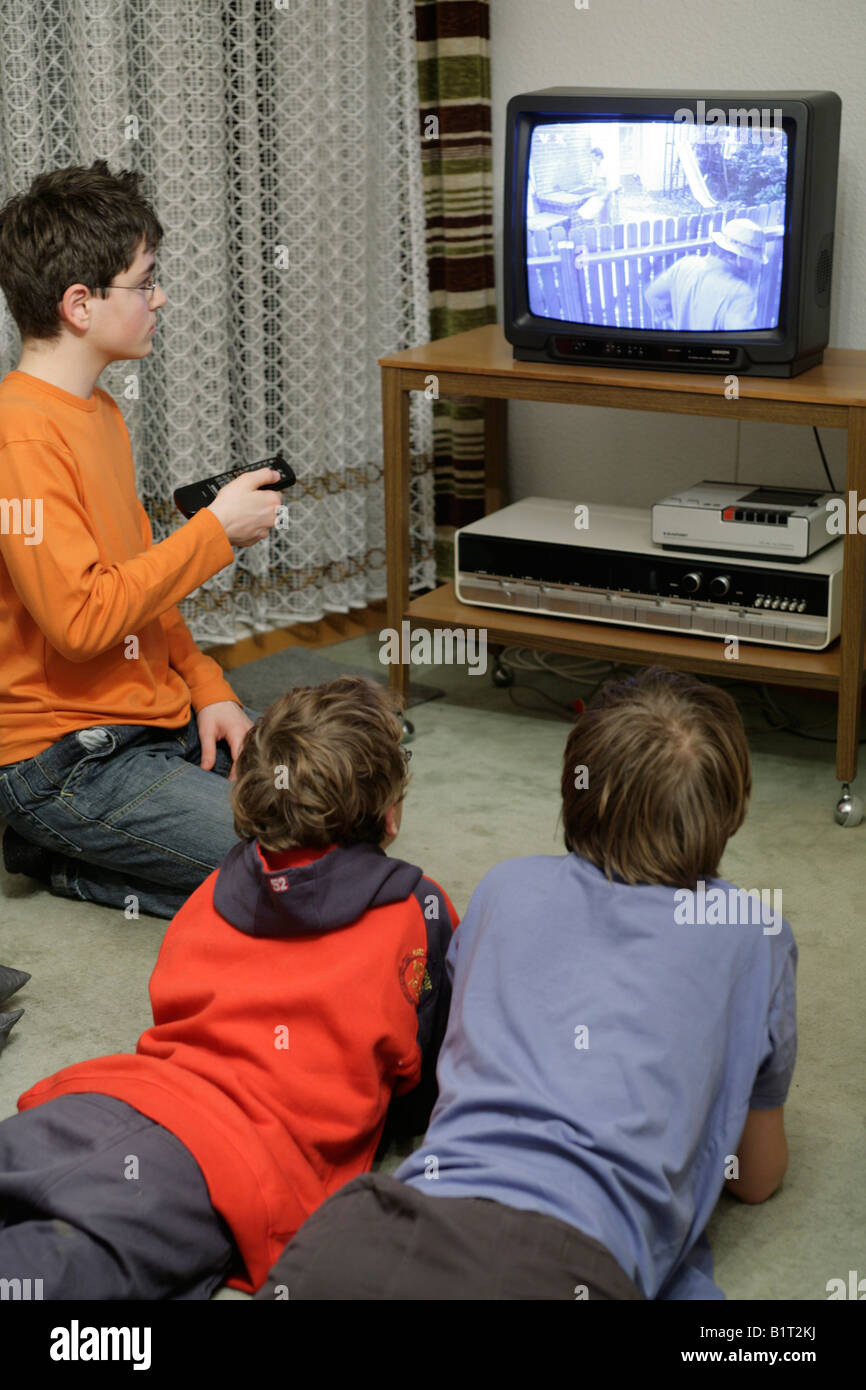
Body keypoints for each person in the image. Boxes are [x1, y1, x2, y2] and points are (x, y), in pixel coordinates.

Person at [256, 667, 797, 1302]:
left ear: (573, 788)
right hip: (563, 1259)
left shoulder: (504, 887)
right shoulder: (753, 933)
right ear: (732, 808)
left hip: (373, 1226)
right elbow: (754, 1178)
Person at [0, 677, 458, 1298]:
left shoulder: (212, 889)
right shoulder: (418, 910)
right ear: (391, 814)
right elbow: (419, 1081)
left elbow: (171, 1006)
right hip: (218, 1168)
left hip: (104, 1103)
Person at [0, 160, 286, 921]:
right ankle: (63, 854)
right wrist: (214, 533)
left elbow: (140, 588)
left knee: (343, 802)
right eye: (145, 282)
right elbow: (82, 621)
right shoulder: (21, 436)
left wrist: (210, 689)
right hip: (64, 760)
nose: (159, 299)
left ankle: (85, 851)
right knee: (298, 868)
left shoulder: (101, 412)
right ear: (80, 304)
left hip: (152, 718)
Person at [643, 218, 767, 332]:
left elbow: (651, 294)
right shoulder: (740, 293)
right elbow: (741, 338)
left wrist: (673, 323)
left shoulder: (684, 264)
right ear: (736, 256)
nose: (753, 265)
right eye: (751, 259)